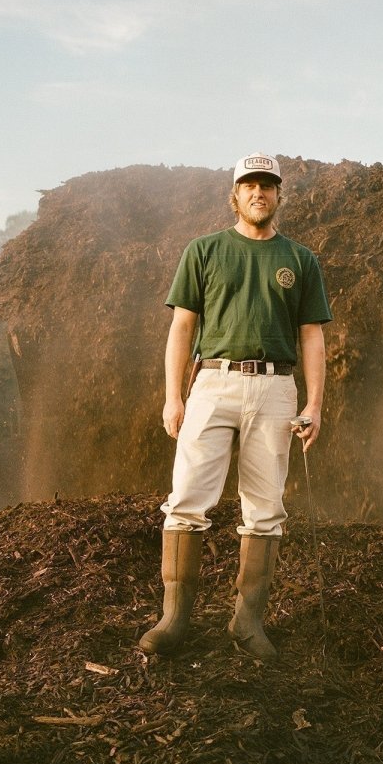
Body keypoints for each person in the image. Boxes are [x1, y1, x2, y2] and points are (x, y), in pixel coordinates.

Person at [139, 153, 332, 662]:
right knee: (187, 498)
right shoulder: (204, 251)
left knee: (266, 509)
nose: (259, 194)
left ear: (278, 195)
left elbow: (311, 336)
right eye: (250, 185)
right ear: (235, 195)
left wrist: (315, 402)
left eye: (268, 186)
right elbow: (181, 328)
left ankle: (247, 622)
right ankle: (174, 618)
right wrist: (173, 395)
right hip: (214, 383)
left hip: (275, 387)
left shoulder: (301, 259)